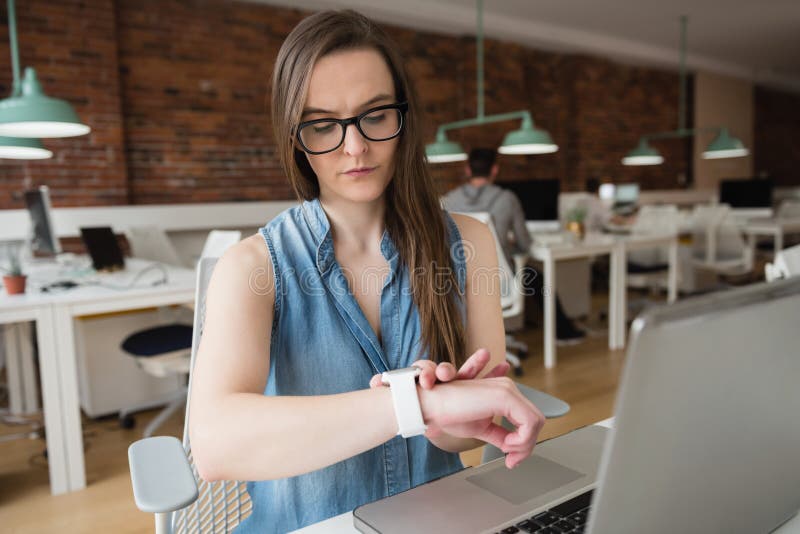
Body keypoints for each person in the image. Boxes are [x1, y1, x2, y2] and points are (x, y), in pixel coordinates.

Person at [188, 10, 545, 533]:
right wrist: (412, 404)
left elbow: (463, 436)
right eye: (322, 125)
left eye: (375, 115)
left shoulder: (469, 243)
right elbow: (215, 446)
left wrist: (453, 415)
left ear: (404, 118)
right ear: (296, 136)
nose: (354, 147)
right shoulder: (252, 265)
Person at [442, 148, 586, 344]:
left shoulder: (449, 200)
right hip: (499, 281)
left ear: (468, 170)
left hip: (459, 282)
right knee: (538, 278)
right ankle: (563, 333)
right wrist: (506, 244)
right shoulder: (507, 199)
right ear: (494, 170)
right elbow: (525, 244)